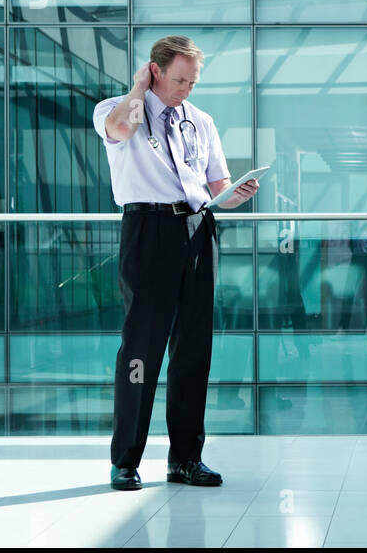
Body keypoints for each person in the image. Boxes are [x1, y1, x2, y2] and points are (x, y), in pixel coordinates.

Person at [93, 35, 258, 491]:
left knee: (192, 350)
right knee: (141, 351)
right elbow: (121, 132)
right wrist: (136, 89)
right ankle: (125, 460)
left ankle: (185, 459)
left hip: (198, 229)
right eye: (181, 78)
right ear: (156, 71)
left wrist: (234, 195)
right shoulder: (117, 108)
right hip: (148, 231)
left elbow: (216, 183)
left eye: (193, 81)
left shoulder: (200, 121)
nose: (187, 88)